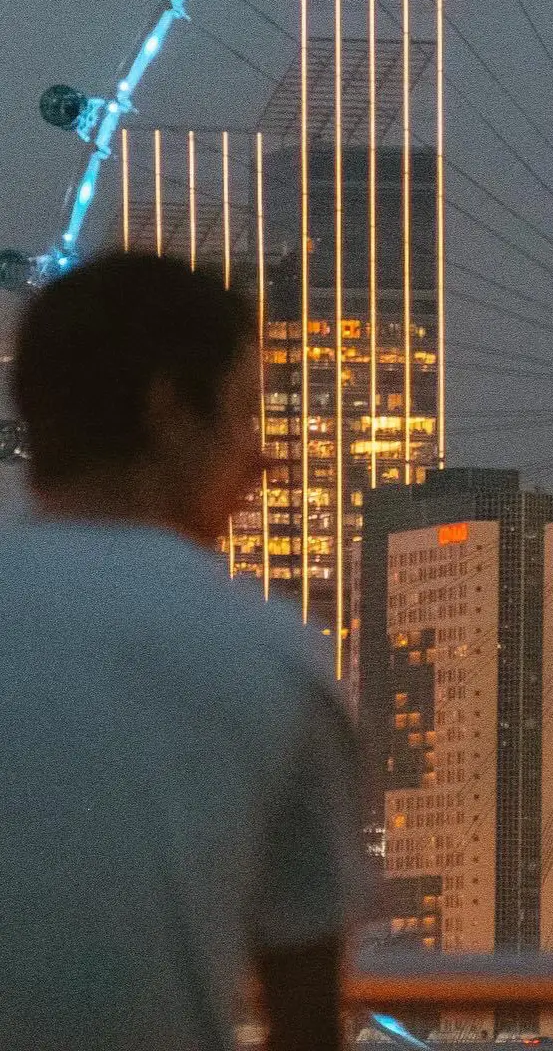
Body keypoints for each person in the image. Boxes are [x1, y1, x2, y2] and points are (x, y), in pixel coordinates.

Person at [0, 251, 361, 1051]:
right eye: (244, 414)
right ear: (168, 410)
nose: (266, 459)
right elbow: (306, 1020)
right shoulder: (276, 658)